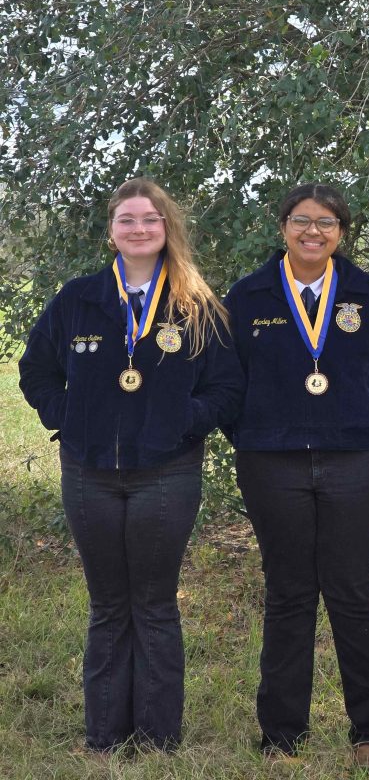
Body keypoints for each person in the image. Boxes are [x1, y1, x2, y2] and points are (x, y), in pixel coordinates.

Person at [18, 178, 244, 753]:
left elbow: (226, 387)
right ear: (111, 231)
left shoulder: (195, 305)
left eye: (149, 218)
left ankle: (159, 737)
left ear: (167, 228)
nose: (138, 228)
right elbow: (36, 370)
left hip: (166, 473)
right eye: (126, 219)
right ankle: (103, 736)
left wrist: (182, 422)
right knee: (107, 605)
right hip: (89, 472)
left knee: (155, 603)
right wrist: (69, 416)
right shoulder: (78, 299)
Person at [224, 182, 369, 775]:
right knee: (287, 593)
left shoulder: (366, 294)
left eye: (326, 223)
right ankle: (282, 731)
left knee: (354, 593)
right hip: (271, 464)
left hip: (353, 464)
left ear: (340, 232)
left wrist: (360, 429)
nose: (313, 231)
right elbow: (228, 383)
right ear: (282, 226)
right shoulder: (249, 295)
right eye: (302, 220)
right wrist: (257, 435)